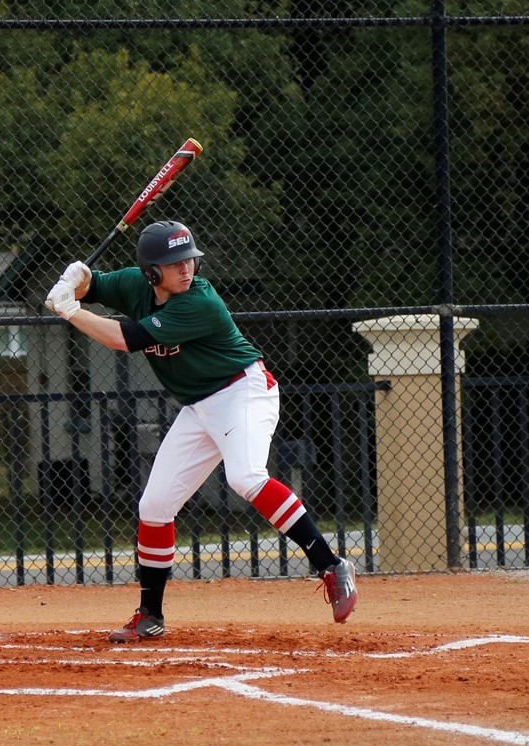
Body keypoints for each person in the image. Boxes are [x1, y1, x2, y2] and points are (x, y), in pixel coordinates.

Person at [43, 220, 358, 642]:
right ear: (152, 271)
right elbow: (94, 285)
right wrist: (76, 280)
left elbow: (125, 338)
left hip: (242, 390)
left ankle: (331, 564)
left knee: (245, 476)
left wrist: (71, 310)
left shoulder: (200, 302)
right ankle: (150, 615)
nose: (186, 269)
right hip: (199, 407)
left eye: (189, 260)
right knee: (154, 506)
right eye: (174, 264)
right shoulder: (135, 284)